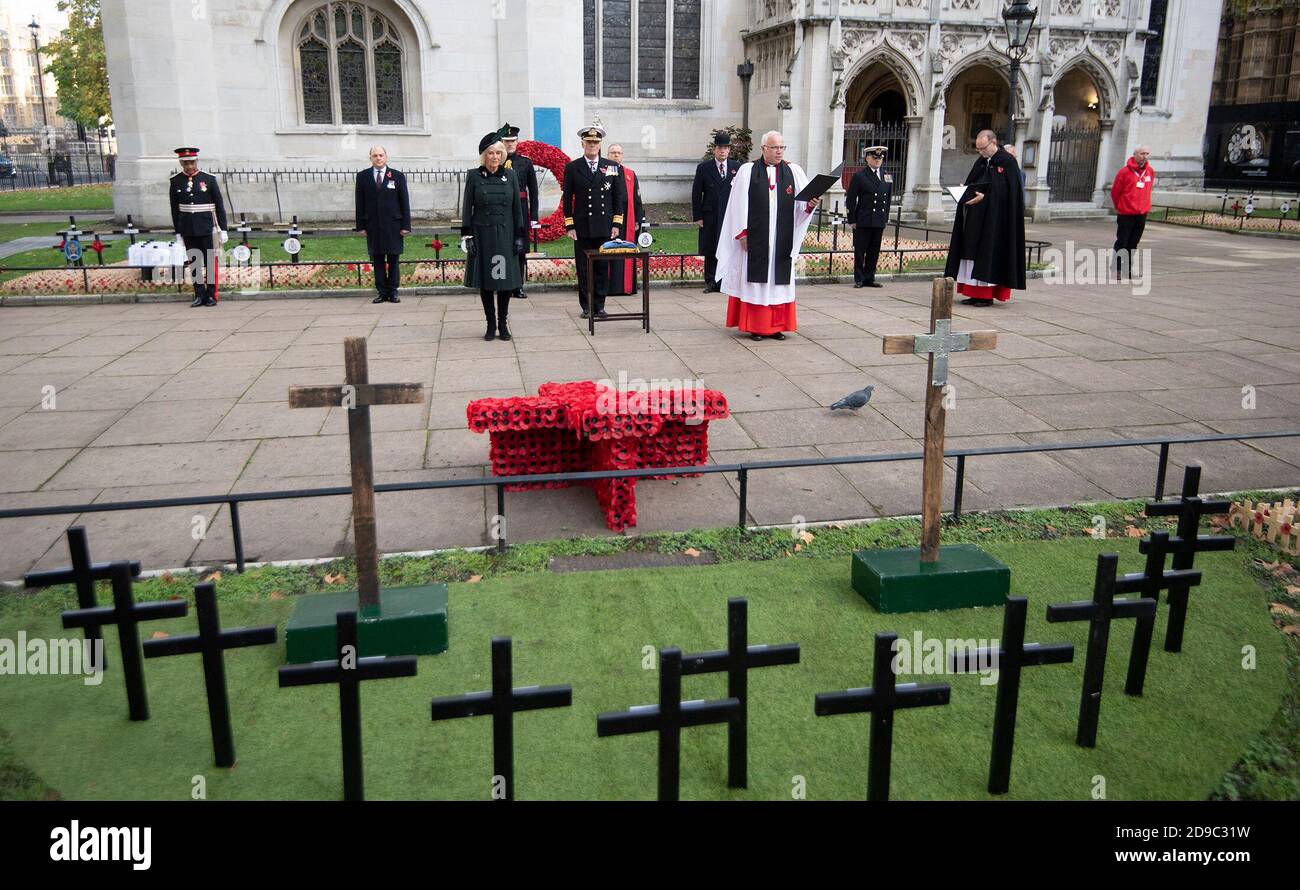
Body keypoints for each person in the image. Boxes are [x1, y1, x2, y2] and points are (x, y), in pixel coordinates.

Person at [714, 130, 821, 341]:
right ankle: (756, 327)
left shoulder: (793, 171)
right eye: (775, 148)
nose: (779, 151)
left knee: (777, 282)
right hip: (756, 238)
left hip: (781, 238)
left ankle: (776, 327)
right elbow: (738, 204)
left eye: (782, 147)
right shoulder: (748, 171)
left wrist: (809, 206)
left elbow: (800, 207)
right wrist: (743, 233)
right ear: (764, 149)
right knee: (757, 282)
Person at [943, 129, 1026, 307]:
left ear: (993, 142)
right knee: (971, 252)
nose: (981, 152)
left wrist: (986, 197)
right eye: (978, 149)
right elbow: (976, 182)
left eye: (983, 148)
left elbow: (1009, 194)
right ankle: (973, 292)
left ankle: (986, 295)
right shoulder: (981, 162)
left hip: (995, 222)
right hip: (976, 218)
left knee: (987, 254)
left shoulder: (1007, 162)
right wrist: (966, 189)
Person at [462, 133, 526, 341]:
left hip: (505, 236)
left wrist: (519, 236)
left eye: (499, 153)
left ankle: (503, 323)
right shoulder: (473, 176)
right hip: (483, 234)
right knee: (487, 282)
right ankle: (490, 324)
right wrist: (468, 237)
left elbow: (517, 208)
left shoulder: (511, 176)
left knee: (505, 281)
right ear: (484, 156)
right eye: (491, 153)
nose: (495, 157)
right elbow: (466, 208)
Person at [561, 123, 625, 320]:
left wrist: (616, 224)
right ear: (582, 143)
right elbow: (567, 198)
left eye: (595, 142)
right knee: (583, 268)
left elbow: (618, 197)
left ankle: (600, 305)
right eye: (588, 142)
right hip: (582, 227)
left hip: (604, 226)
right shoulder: (572, 168)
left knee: (601, 268)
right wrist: (570, 225)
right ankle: (586, 305)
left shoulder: (611, 167)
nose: (592, 145)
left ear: (600, 145)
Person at [169, 147, 228, 308]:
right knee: (194, 263)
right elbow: (175, 208)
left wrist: (223, 228)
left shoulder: (208, 179)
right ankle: (199, 294)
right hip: (187, 228)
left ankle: (211, 295)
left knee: (210, 262)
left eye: (192, 162)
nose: (189, 166)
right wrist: (178, 232)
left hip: (207, 227)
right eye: (185, 163)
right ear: (181, 163)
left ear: (197, 161)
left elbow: (219, 205)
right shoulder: (175, 181)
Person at [355, 145, 411, 304]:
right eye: (375, 156)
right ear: (370, 158)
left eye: (381, 155)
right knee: (377, 259)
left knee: (393, 259)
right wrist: (361, 226)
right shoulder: (363, 177)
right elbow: (359, 203)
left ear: (386, 157)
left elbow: (404, 202)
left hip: (393, 226)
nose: (378, 158)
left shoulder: (397, 176)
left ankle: (393, 291)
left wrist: (406, 225)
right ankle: (382, 291)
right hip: (373, 225)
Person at [692, 131, 740, 293]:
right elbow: (696, 193)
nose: (723, 151)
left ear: (729, 150)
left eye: (726, 147)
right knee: (711, 247)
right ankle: (711, 281)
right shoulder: (704, 168)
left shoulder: (736, 167)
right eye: (720, 147)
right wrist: (698, 216)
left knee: (728, 246)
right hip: (710, 215)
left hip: (729, 215)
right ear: (715, 149)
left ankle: (726, 280)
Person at [501, 123, 541, 299]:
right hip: (502, 212)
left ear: (517, 142)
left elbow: (533, 190)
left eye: (512, 141)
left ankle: (518, 286)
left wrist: (534, 216)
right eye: (506, 141)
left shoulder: (525, 162)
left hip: (521, 211)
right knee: (502, 247)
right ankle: (502, 284)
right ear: (501, 142)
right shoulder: (496, 161)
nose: (510, 144)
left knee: (520, 249)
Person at [844, 145, 892, 288]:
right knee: (860, 250)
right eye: (875, 158)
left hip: (878, 220)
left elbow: (888, 199)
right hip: (863, 219)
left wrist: (885, 217)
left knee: (874, 251)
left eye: (880, 158)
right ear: (867, 158)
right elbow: (851, 199)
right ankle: (859, 278)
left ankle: (869, 277)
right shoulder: (860, 176)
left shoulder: (886, 175)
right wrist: (852, 219)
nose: (878, 161)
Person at [605, 142, 647, 297]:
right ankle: (608, 287)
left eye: (619, 153)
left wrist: (638, 220)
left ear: (622, 156)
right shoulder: (603, 173)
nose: (616, 155)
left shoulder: (630, 174)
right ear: (607, 155)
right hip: (609, 221)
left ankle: (626, 287)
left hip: (628, 220)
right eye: (613, 152)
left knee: (626, 251)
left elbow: (637, 199)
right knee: (610, 251)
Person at [1110, 145, 1154, 281]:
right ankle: (1116, 268)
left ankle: (1127, 268)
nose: (1144, 156)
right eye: (1142, 153)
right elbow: (1115, 192)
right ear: (1135, 154)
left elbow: (1148, 189)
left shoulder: (1150, 172)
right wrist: (1121, 207)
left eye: (1147, 153)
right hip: (1126, 213)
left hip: (1141, 213)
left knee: (1133, 243)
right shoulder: (1124, 172)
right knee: (1122, 241)